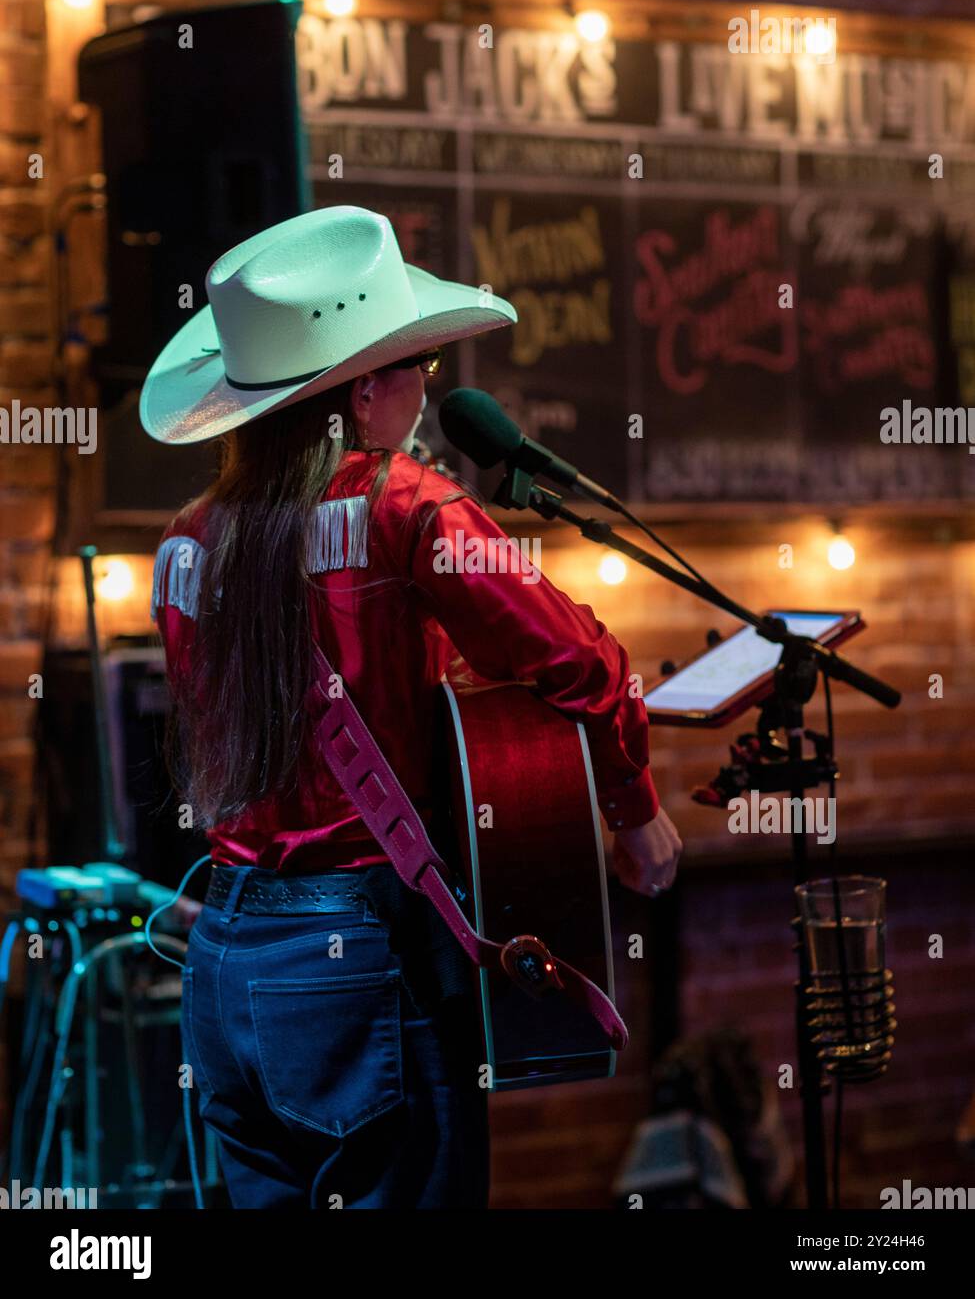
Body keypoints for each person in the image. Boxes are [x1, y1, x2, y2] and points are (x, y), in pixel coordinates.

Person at [142, 205, 682, 1210]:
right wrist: (632, 802)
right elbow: (578, 659)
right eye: (418, 366)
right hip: (356, 957)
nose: (428, 387)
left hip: (225, 961)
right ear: (366, 386)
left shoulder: (184, 541)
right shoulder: (408, 507)